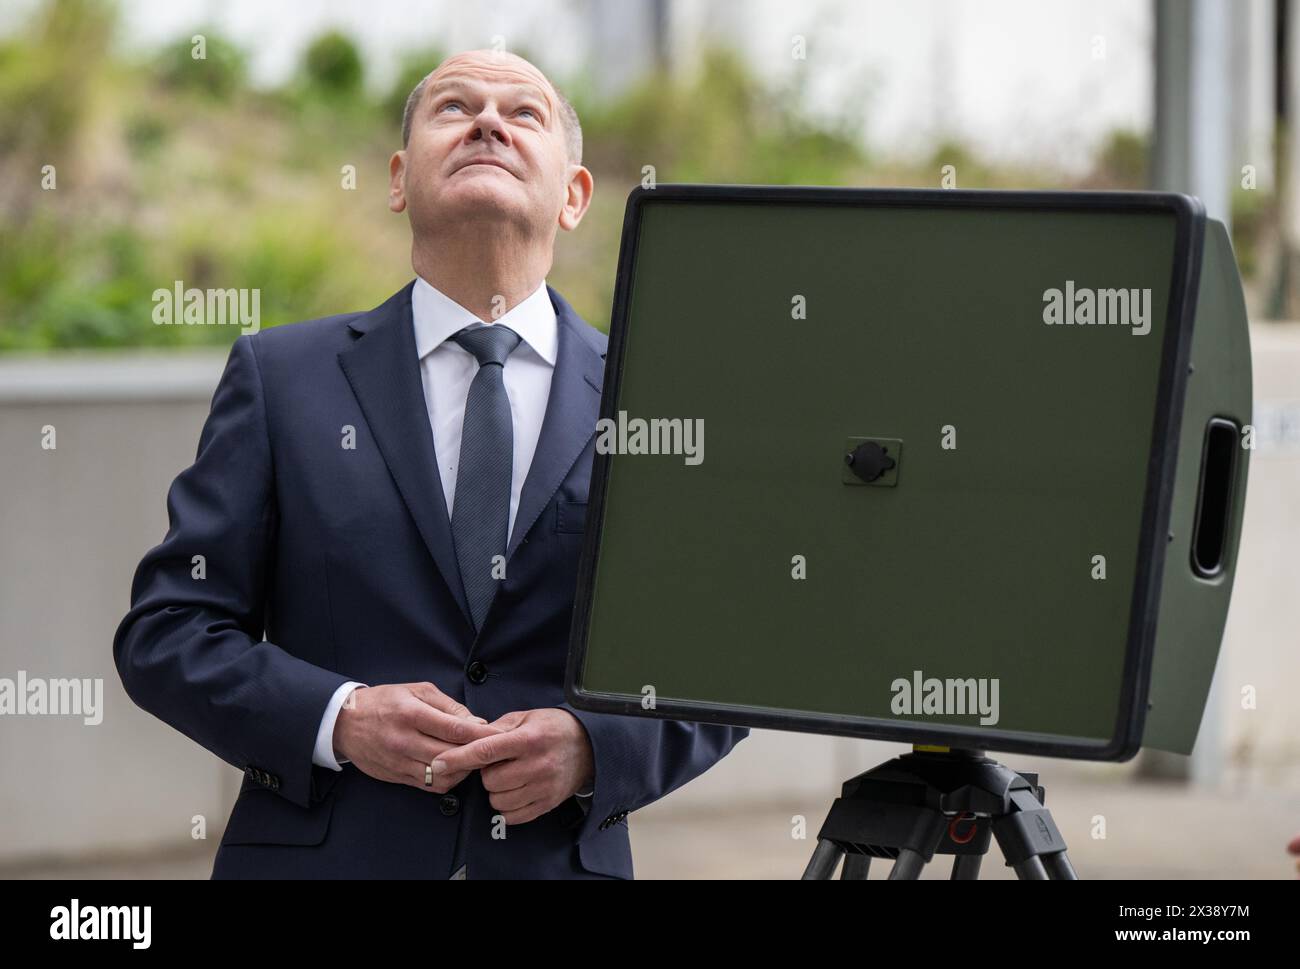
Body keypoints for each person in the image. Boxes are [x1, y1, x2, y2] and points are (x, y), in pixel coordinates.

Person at [113, 48, 748, 879]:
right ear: (398, 178)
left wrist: (598, 748)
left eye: (524, 114)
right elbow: (167, 631)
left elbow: (723, 662)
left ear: (575, 196)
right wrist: (338, 718)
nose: (488, 120)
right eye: (454, 106)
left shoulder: (657, 397)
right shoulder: (280, 378)